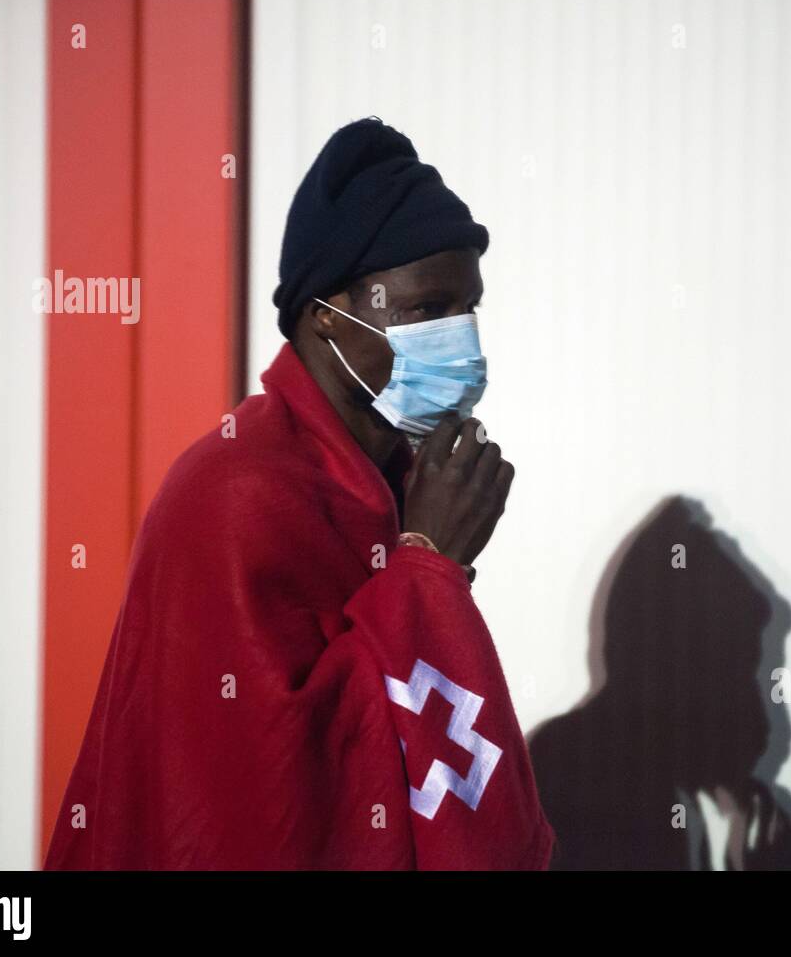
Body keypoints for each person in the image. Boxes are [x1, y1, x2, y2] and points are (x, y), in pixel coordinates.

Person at [44, 116, 556, 870]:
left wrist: (428, 564)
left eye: (468, 306)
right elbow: (264, 806)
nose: (462, 337)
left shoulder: (393, 483)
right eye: (427, 309)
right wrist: (428, 565)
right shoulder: (233, 495)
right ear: (326, 314)